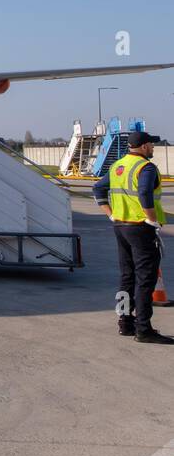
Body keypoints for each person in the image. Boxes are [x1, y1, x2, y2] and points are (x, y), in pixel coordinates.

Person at [94, 131, 173, 344]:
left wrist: (110, 214)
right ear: (145, 146)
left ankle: (125, 323)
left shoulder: (118, 166)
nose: (154, 148)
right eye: (152, 145)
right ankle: (144, 329)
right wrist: (152, 219)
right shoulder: (146, 167)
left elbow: (98, 188)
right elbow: (145, 194)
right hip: (140, 227)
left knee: (126, 276)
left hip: (120, 227)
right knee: (145, 279)